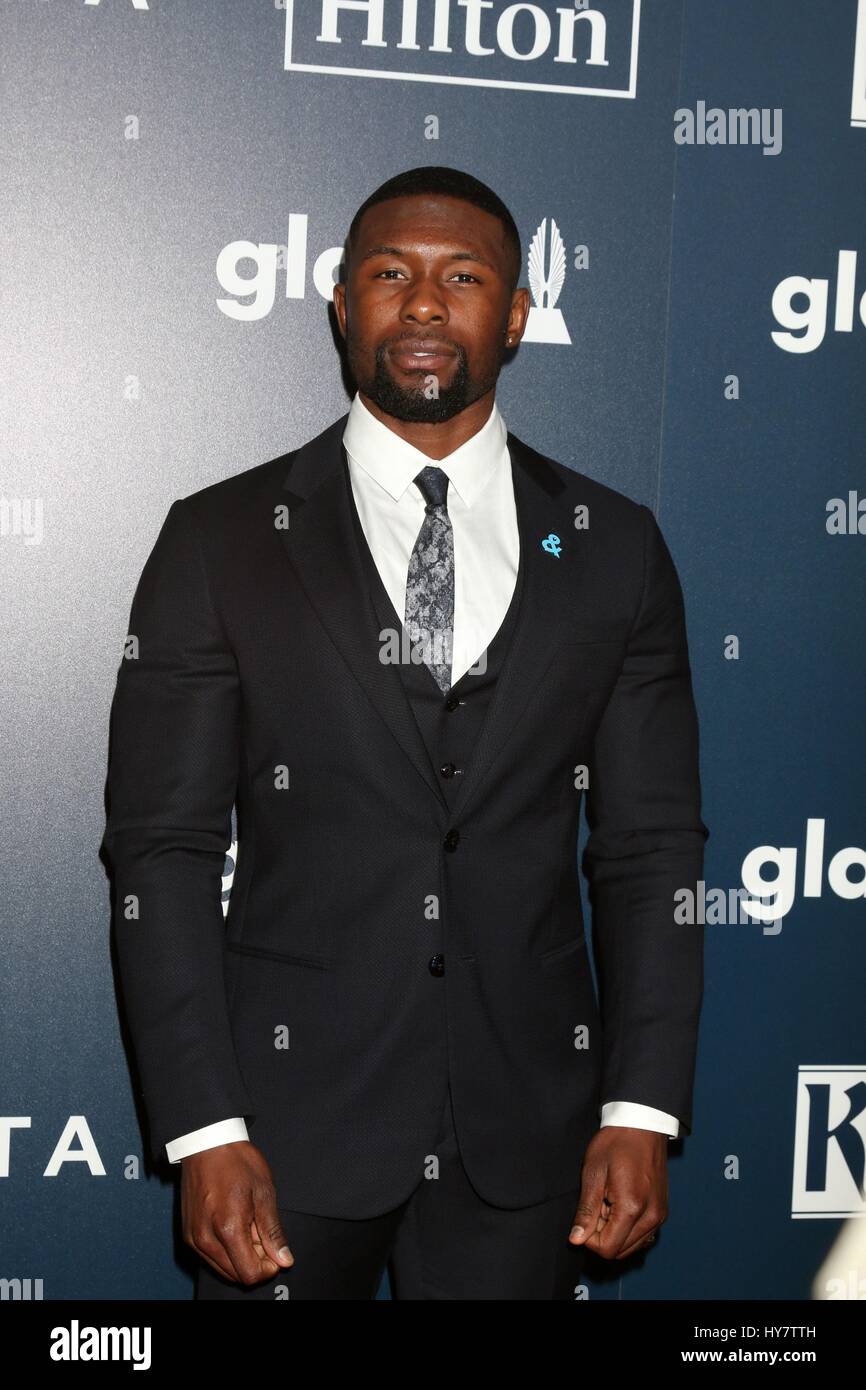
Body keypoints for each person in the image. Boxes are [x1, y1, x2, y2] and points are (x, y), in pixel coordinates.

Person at [100, 164, 709, 1300]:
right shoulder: (219, 539)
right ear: (341, 303)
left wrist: (637, 1105)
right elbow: (162, 852)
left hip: (527, 1135)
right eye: (390, 274)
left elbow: (649, 851)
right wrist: (202, 1128)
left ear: (517, 314)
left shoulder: (615, 547)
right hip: (279, 1134)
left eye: (462, 277)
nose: (423, 305)